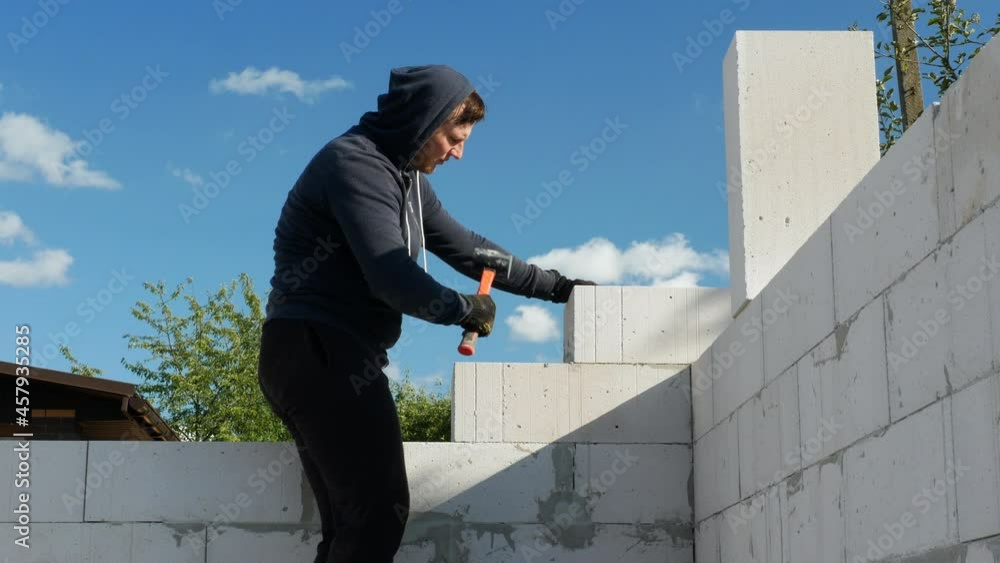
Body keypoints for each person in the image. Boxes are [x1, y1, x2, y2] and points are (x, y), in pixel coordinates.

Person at [255, 64, 595, 563]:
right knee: (376, 518)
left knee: (353, 528)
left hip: (325, 356)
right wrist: (464, 308)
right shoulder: (356, 165)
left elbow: (471, 250)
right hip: (319, 350)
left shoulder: (407, 178)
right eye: (453, 138)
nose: (458, 153)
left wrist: (558, 287)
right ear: (423, 121)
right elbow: (392, 278)